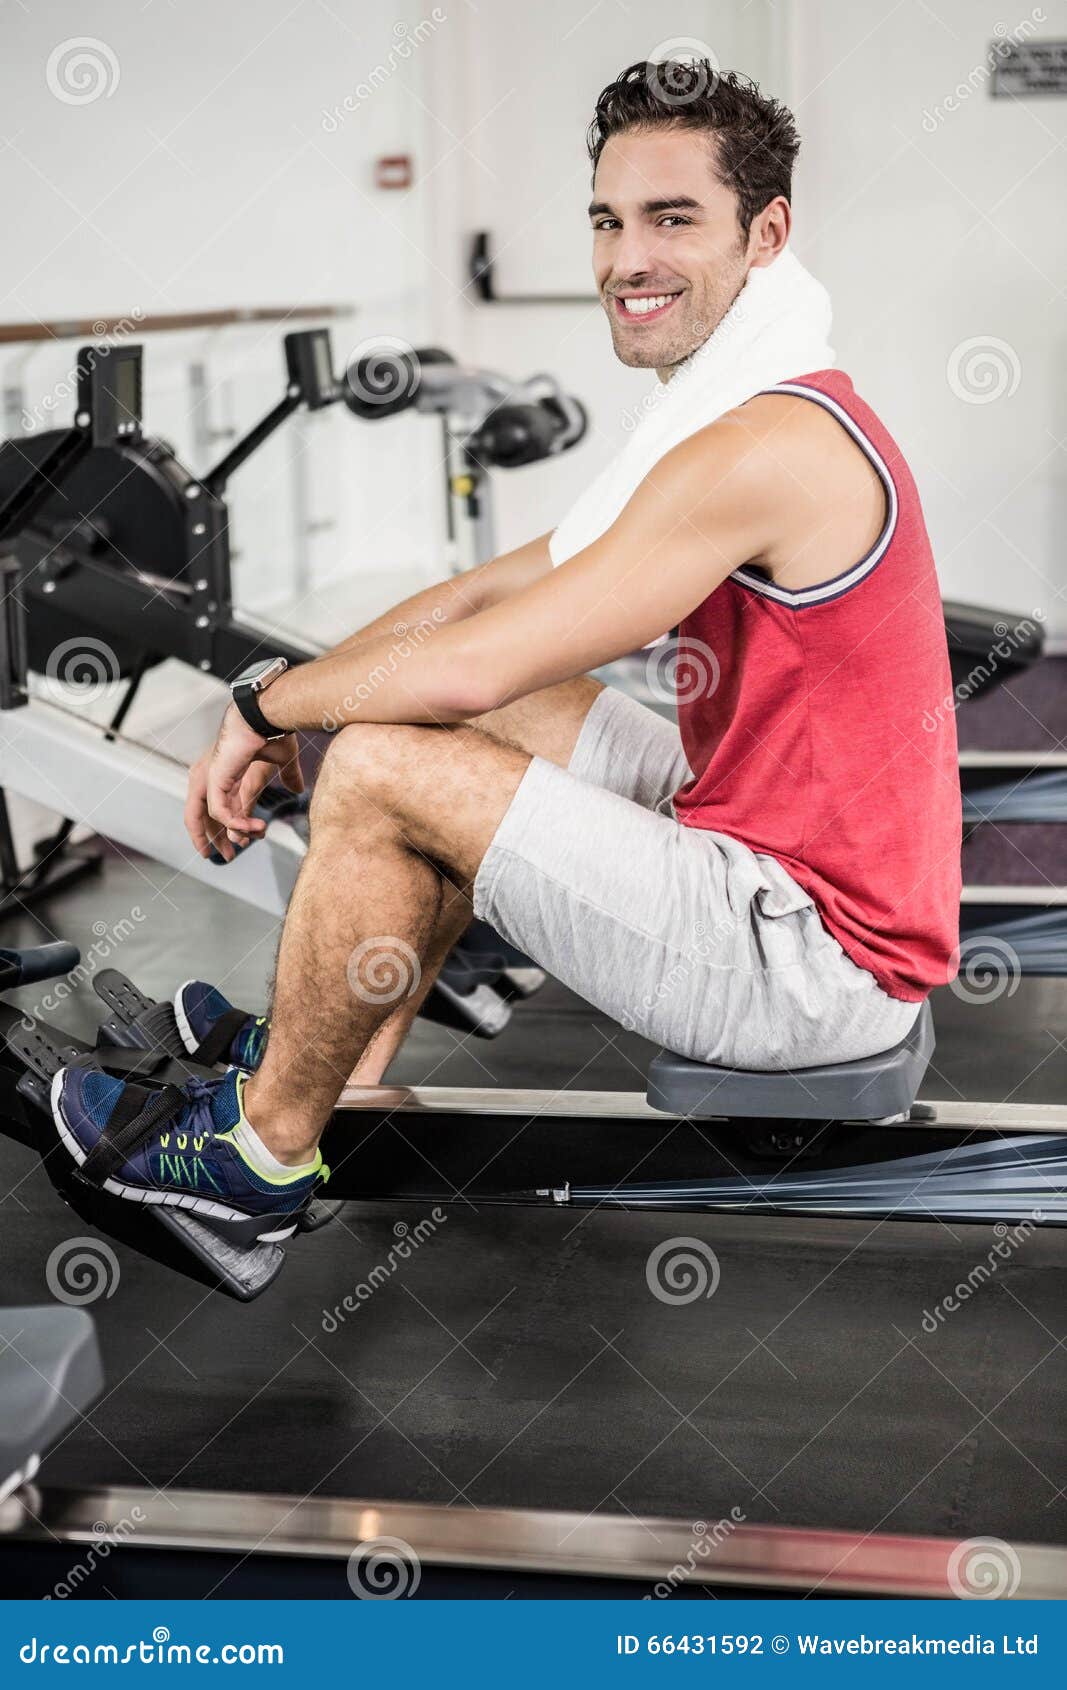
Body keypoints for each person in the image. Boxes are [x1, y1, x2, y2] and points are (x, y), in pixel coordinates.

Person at [51, 61, 961, 1238]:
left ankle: (257, 1156)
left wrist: (273, 707)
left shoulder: (762, 446)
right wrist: (291, 700)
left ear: (765, 232)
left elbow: (478, 661)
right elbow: (483, 594)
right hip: (756, 852)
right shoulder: (748, 398)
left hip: (808, 963)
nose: (626, 259)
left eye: (671, 219)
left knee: (386, 760)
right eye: (607, 220)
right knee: (461, 721)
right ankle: (332, 1069)